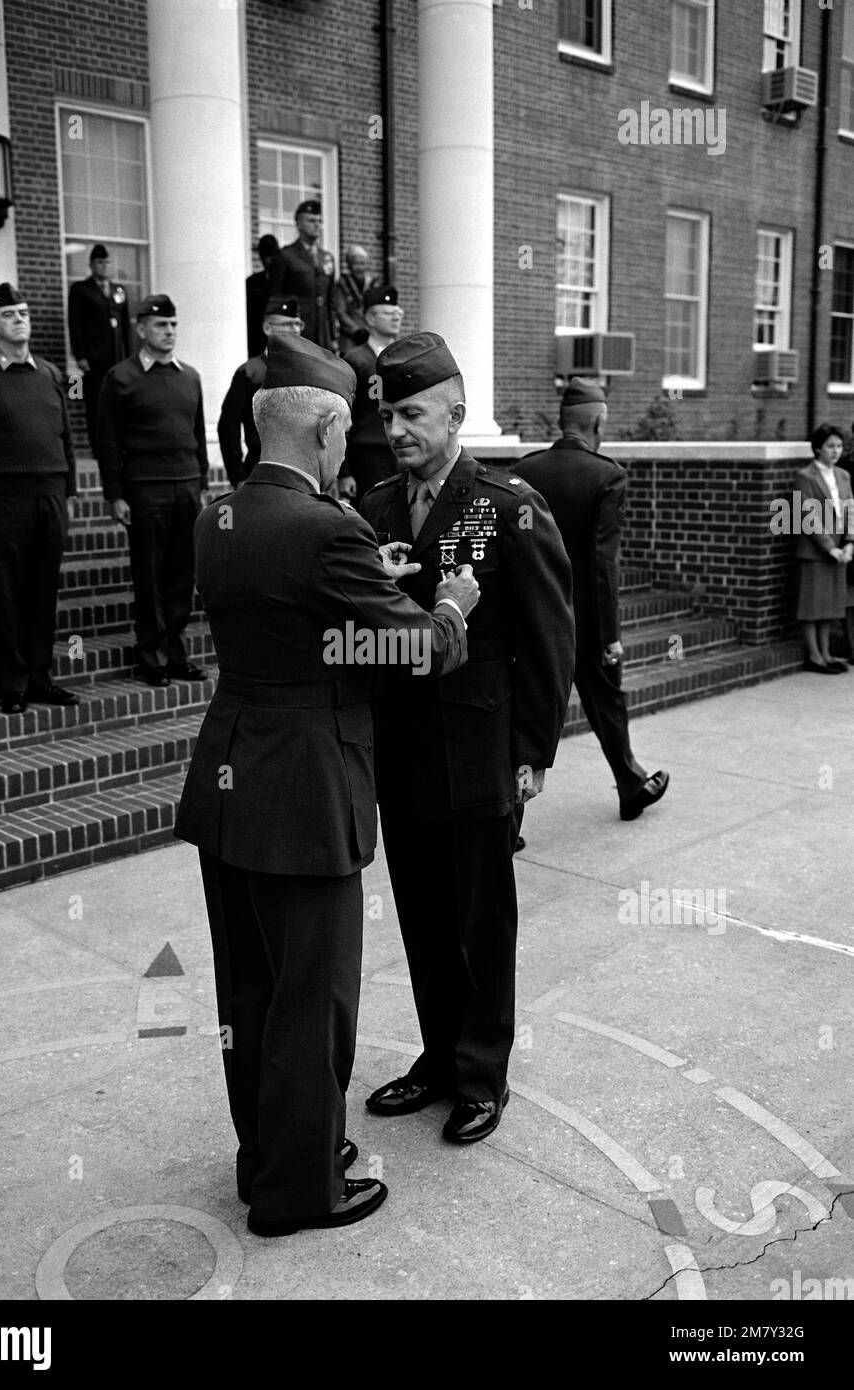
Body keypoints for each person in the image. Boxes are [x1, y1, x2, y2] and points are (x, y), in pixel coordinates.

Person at [174, 332, 478, 1236]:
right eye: (350, 436)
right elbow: (416, 649)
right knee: (314, 1004)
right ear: (322, 434)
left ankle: (268, 1156)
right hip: (306, 795)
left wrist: (358, 579)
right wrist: (450, 603)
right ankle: (300, 1192)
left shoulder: (215, 518)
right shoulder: (328, 529)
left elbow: (284, 611)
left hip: (229, 788)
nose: (356, 452)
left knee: (250, 996)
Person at [359, 331, 575, 1144]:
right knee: (420, 910)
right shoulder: (376, 506)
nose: (398, 429)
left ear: (455, 413)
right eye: (388, 414)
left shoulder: (506, 504)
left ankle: (482, 1074)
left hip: (483, 752)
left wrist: (534, 751)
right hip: (401, 749)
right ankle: (439, 1057)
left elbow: (550, 635)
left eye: (413, 413)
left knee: (481, 921)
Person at [515, 378, 670, 821]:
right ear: (599, 420)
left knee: (530, 714)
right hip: (583, 620)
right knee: (607, 702)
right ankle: (630, 784)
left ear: (563, 420)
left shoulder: (525, 470)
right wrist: (610, 636)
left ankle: (508, 824)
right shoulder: (608, 475)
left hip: (536, 617)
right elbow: (604, 564)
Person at [0, 284, 79, 715]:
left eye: (23, 312)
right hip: (4, 499)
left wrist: (70, 492)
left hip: (51, 495)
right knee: (8, 593)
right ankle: (13, 683)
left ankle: (41, 678)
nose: (19, 319)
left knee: (44, 592)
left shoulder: (52, 374)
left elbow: (66, 437)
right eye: (9, 314)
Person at [95, 294, 209, 688]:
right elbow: (107, 442)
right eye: (161, 325)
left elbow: (197, 435)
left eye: (174, 325)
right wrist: (115, 493)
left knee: (181, 575)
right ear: (141, 329)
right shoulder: (121, 378)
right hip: (145, 490)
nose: (170, 332)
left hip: (187, 487)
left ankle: (175, 655)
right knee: (150, 577)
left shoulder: (189, 376)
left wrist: (204, 484)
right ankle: (152, 658)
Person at [217, 296, 303, 487]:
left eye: (298, 323)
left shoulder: (307, 371)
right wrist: (238, 475)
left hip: (301, 470)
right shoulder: (250, 372)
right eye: (288, 324)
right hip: (261, 468)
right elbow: (228, 426)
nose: (295, 329)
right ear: (267, 328)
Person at [792, 423, 854, 673]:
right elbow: (807, 516)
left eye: (839, 446)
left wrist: (850, 542)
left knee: (830, 604)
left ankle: (827, 653)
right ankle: (814, 655)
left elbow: (850, 509)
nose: (835, 451)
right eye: (830, 446)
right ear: (818, 448)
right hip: (815, 550)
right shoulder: (805, 476)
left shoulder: (843, 475)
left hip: (840, 548)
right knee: (812, 604)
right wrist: (829, 547)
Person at [338, 284, 404, 504]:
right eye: (387, 313)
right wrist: (344, 471)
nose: (395, 317)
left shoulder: (405, 357)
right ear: (370, 319)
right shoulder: (355, 359)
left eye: (397, 312)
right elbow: (343, 416)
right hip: (368, 453)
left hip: (400, 450)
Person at [68, 243, 133, 455]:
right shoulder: (81, 289)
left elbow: (125, 325)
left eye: (106, 263)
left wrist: (130, 357)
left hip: (117, 357)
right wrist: (80, 355)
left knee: (119, 402)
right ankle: (98, 448)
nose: (103, 267)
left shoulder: (119, 290)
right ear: (91, 265)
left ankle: (118, 445)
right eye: (99, 263)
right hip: (94, 359)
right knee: (96, 403)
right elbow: (75, 323)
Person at [266, 200, 337, 350]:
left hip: (323, 333)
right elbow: (276, 297)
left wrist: (333, 336)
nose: (317, 225)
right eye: (311, 221)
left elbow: (331, 301)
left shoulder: (327, 258)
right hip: (298, 329)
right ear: (298, 224)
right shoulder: (285, 255)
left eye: (319, 221)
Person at [334, 246, 374, 353]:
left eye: (363, 263)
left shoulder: (373, 284)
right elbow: (340, 311)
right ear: (350, 266)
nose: (360, 267)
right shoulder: (342, 284)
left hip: (370, 336)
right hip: (350, 338)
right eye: (356, 264)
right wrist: (355, 330)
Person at [245, 234, 279, 358]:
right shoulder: (252, 282)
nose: (268, 260)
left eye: (272, 254)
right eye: (265, 255)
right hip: (257, 340)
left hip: (277, 336)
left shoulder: (284, 280)